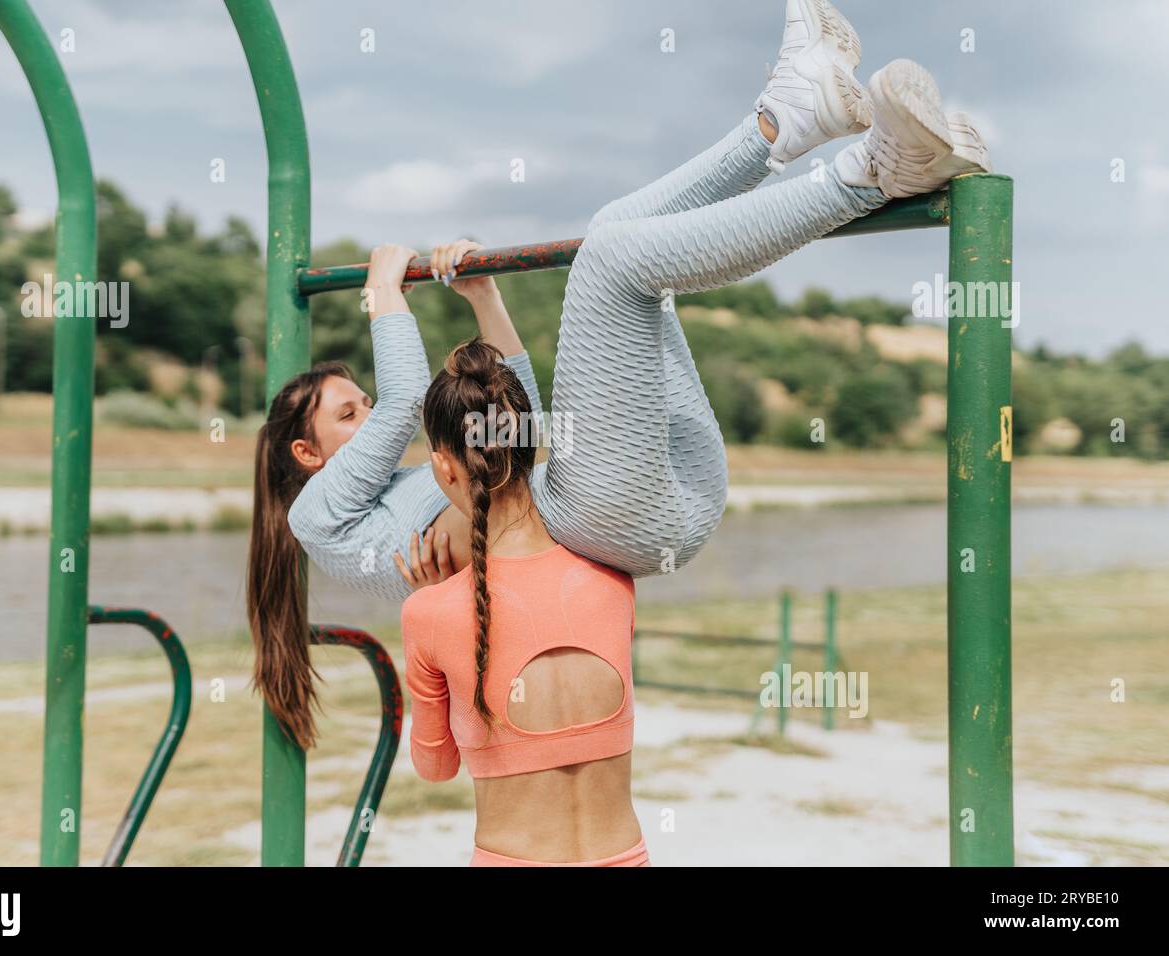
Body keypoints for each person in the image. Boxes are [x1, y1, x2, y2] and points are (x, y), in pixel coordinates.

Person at [247, 0, 992, 751]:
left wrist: (483, 295)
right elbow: (408, 397)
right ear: (304, 455)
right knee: (610, 263)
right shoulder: (319, 521)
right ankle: (869, 175)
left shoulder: (421, 494)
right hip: (607, 517)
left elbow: (528, 433)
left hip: (659, 491)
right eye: (347, 415)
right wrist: (384, 298)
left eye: (361, 402)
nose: (370, 415)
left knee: (615, 239)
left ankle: (783, 120)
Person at [401, 337, 646, 865]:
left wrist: (433, 607)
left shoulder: (432, 614)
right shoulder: (614, 582)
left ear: (444, 467)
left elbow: (436, 766)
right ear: (529, 448)